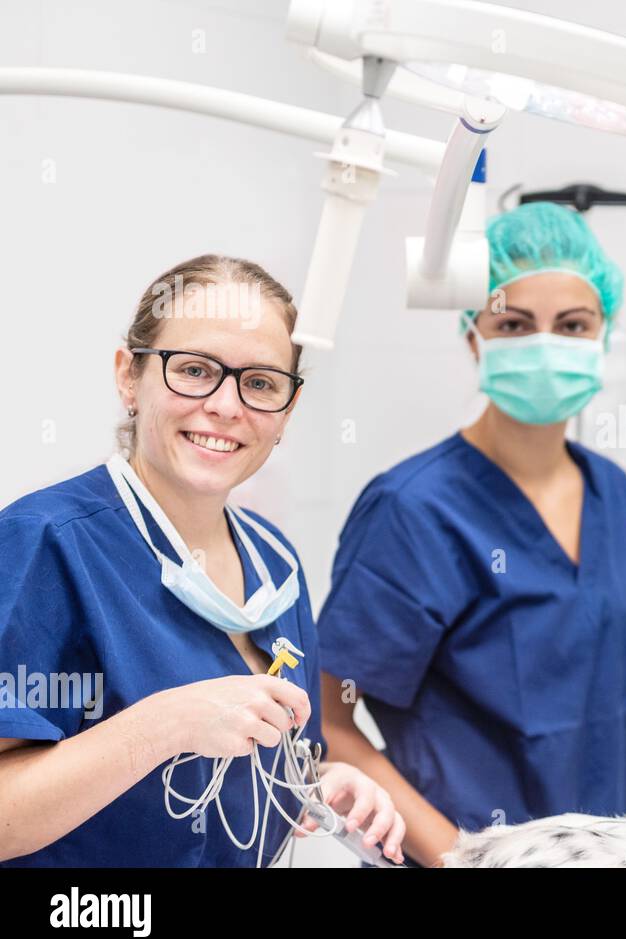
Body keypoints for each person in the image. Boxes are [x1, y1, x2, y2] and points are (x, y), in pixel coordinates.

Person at [0, 255, 405, 866]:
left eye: (261, 382)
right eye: (193, 370)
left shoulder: (274, 564)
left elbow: (257, 766)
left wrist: (316, 789)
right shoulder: (44, 544)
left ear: (287, 412)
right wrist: (166, 723)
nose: (226, 405)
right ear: (128, 378)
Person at [317, 202, 626, 867]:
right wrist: (463, 858)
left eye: (572, 324)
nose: (545, 344)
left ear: (603, 334)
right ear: (472, 336)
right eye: (513, 323)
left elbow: (617, 711)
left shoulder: (612, 491)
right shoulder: (414, 508)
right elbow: (329, 721)